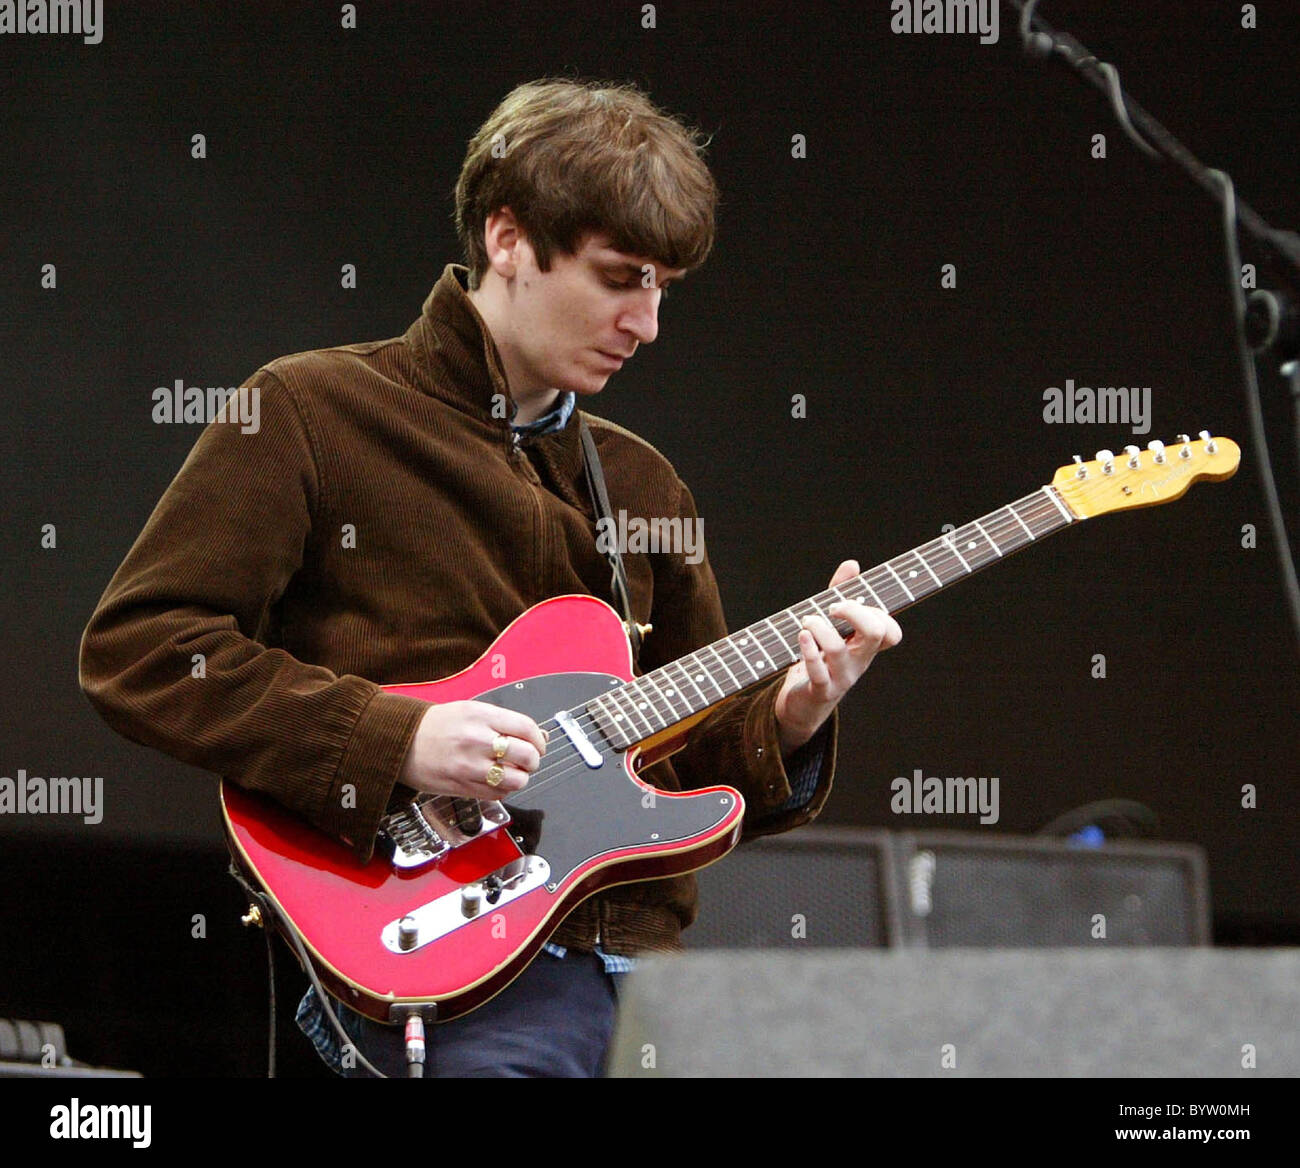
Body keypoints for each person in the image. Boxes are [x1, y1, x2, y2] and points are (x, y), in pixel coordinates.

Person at [78, 77, 902, 1078]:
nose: (645, 323)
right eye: (620, 277)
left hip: (636, 974)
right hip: (431, 958)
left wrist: (789, 719)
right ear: (508, 240)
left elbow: (681, 773)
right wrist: (398, 739)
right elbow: (143, 650)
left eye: (662, 289)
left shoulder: (643, 482)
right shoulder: (311, 408)